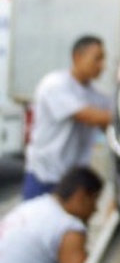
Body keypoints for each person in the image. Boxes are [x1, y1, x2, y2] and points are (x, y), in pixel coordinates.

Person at [22, 35, 113, 200]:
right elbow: (89, 116)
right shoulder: (56, 85)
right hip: (44, 176)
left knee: (68, 225)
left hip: (71, 181)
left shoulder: (97, 96)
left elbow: (109, 121)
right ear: (77, 57)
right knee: (39, 223)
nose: (102, 66)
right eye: (97, 59)